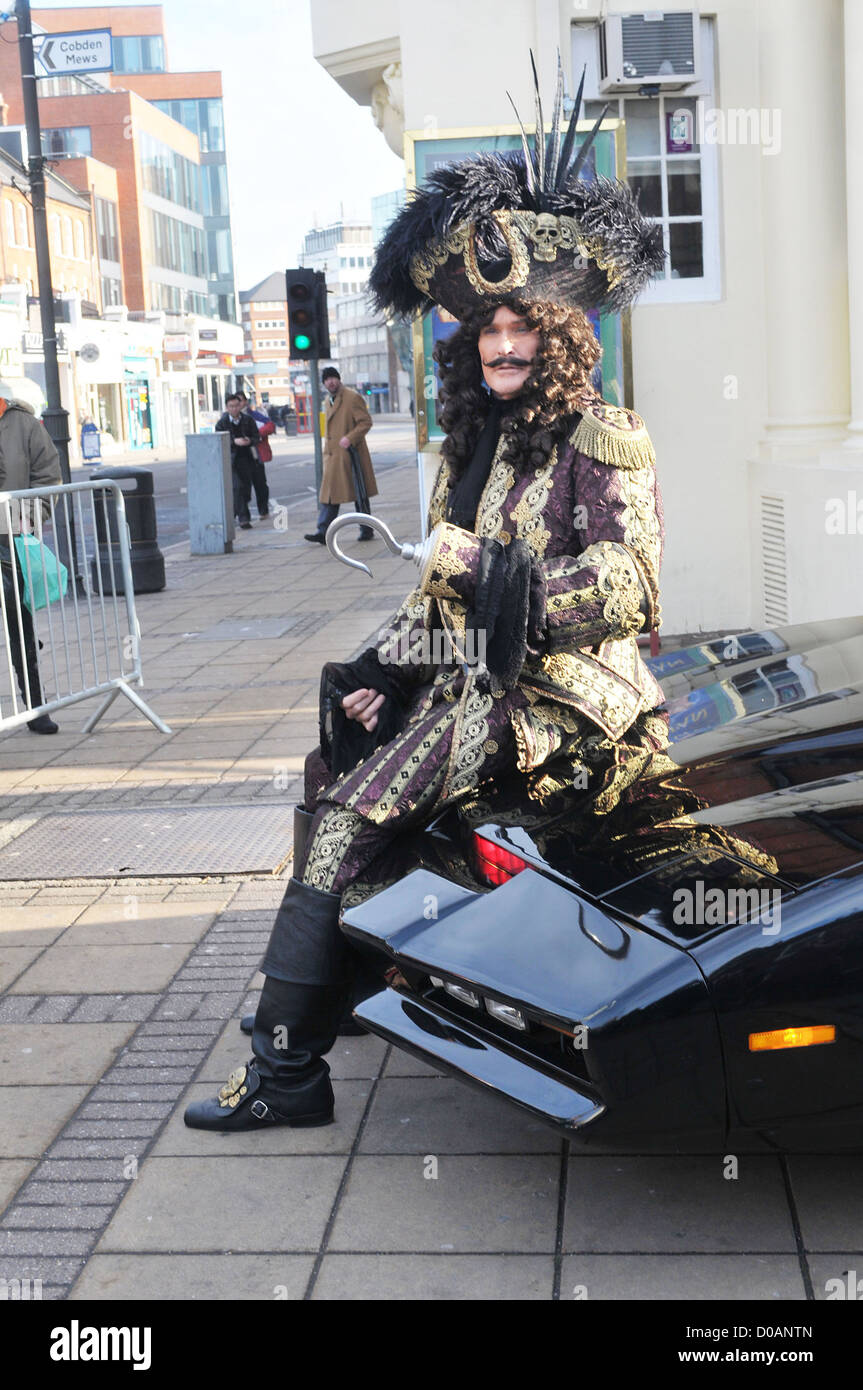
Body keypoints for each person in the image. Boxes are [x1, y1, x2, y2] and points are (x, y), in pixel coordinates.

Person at [183, 60, 667, 1132]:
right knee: (332, 759)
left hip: (563, 700)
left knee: (356, 811)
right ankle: (344, 993)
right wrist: (384, 671)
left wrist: (479, 572)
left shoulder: (605, 435)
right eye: (486, 331)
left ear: (555, 333)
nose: (501, 346)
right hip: (475, 684)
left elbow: (629, 588)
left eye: (520, 328)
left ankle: (286, 1066)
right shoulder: (469, 447)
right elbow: (439, 611)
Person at [0, 382, 63, 733]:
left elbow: (48, 475)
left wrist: (31, 515)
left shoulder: (21, 423)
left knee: (20, 626)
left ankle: (36, 707)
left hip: (8, 541)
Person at [303, 367, 377, 544]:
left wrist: (350, 438)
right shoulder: (328, 401)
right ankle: (323, 531)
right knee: (329, 496)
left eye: (333, 378)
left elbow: (366, 422)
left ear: (339, 379)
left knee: (359, 493)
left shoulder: (352, 397)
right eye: (327, 380)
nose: (331, 382)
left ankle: (366, 529)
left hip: (351, 455)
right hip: (334, 456)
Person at [216, 393, 260, 530]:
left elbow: (256, 437)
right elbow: (217, 440)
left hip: (247, 459)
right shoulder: (222, 423)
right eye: (231, 406)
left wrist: (248, 441)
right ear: (227, 407)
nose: (234, 409)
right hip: (231, 460)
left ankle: (235, 513)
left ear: (240, 405)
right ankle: (243, 519)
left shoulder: (248, 420)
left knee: (246, 490)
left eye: (236, 406)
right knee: (237, 487)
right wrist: (233, 442)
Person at [236, 390, 274, 519]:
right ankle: (243, 516)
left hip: (255, 455)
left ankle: (263, 511)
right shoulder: (229, 419)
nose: (238, 405)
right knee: (242, 488)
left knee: (260, 484)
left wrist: (255, 434)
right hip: (239, 458)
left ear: (245, 402)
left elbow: (270, 425)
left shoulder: (254, 416)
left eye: (240, 401)